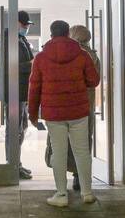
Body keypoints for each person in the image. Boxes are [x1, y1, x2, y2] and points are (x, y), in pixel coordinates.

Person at [28, 20, 100, 207]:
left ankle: (61, 195)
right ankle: (87, 192)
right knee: (82, 151)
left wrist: (33, 113)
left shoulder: (41, 57)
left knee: (58, 153)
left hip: (54, 113)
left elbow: (34, 87)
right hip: (78, 111)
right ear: (68, 34)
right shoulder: (82, 55)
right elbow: (94, 81)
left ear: (51, 34)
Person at [14, 10, 36, 179]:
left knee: (23, 128)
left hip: (22, 91)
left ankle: (17, 164)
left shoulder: (21, 39)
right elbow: (13, 66)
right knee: (16, 130)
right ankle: (14, 166)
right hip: (16, 91)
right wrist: (32, 63)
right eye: (25, 25)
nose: (27, 27)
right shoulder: (10, 40)